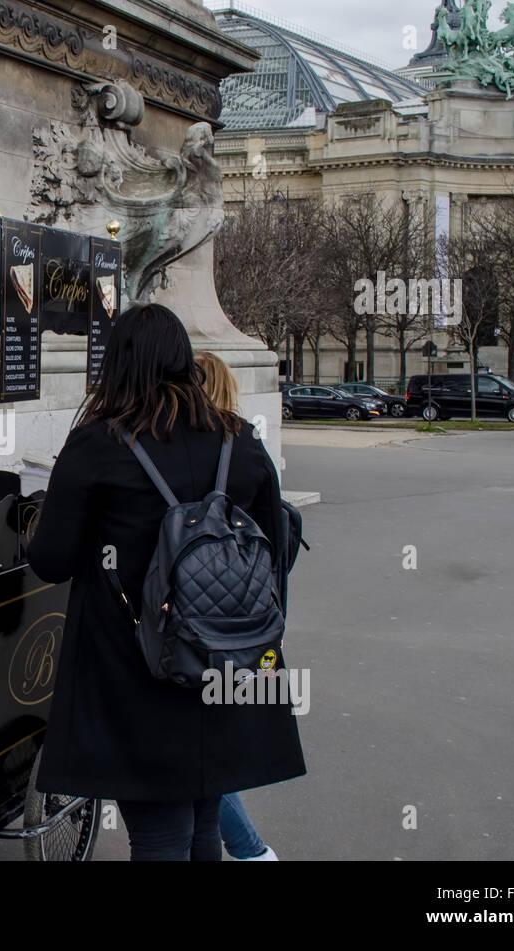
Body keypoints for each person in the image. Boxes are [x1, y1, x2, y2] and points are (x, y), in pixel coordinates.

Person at [27, 304, 305, 861]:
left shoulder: (99, 445)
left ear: (118, 365)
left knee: (158, 834)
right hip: (228, 659)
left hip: (134, 667)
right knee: (202, 823)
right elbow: (279, 549)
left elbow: (51, 559)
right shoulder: (240, 441)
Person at [193, 350, 280, 861]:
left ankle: (250, 850)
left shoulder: (185, 446)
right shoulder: (246, 444)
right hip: (245, 620)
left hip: (194, 622)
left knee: (196, 751)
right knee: (209, 746)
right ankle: (250, 851)